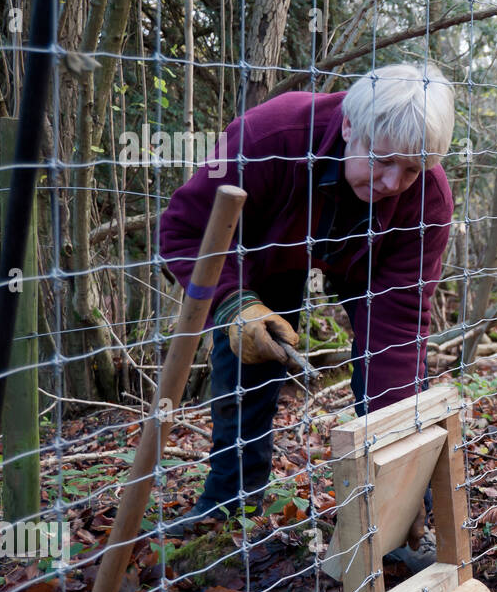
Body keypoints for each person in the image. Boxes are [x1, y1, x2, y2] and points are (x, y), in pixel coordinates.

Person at [158, 63, 455, 547]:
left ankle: (391, 512)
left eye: (413, 168)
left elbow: (399, 328)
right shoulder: (268, 135)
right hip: (265, 252)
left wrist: (398, 462)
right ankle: (231, 506)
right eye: (382, 160)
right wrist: (234, 304)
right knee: (250, 356)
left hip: (367, 263)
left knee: (396, 374)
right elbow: (186, 231)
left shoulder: (427, 196)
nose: (393, 183)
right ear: (349, 127)